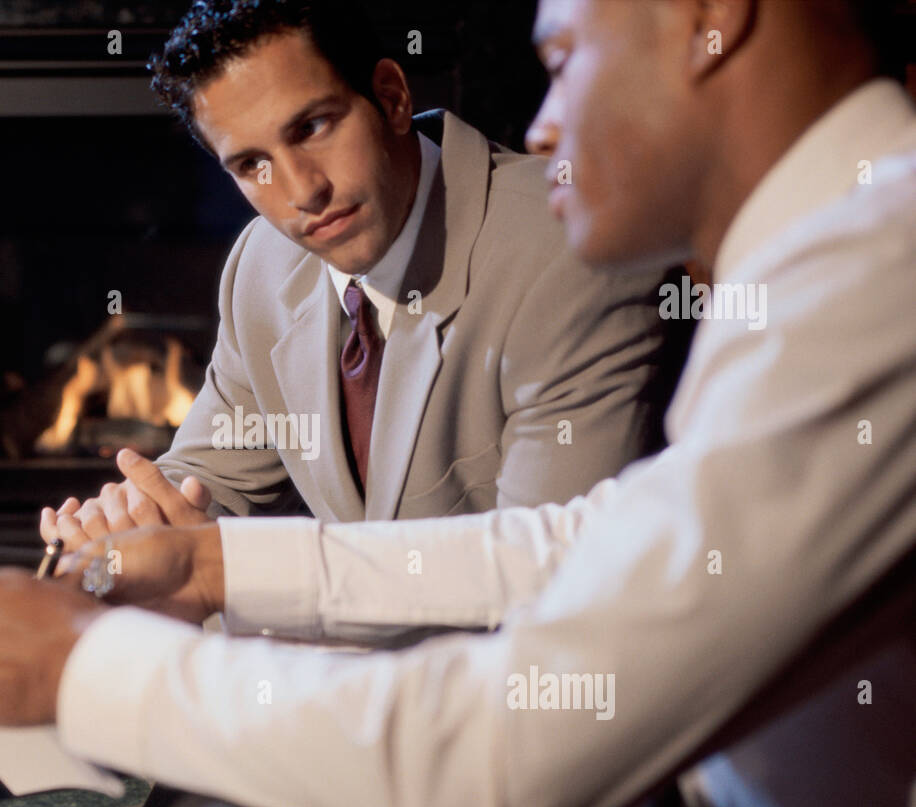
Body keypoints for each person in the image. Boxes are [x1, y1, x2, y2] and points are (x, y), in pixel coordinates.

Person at [0, 0, 916, 807]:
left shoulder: (873, 272)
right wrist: (206, 561)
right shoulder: (844, 251)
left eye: (560, 65)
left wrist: (85, 667)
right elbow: (576, 545)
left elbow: (501, 752)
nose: (547, 128)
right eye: (249, 162)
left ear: (712, 16)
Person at [41, 0, 685, 553]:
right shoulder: (262, 264)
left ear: (392, 96)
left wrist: (244, 578)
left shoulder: (568, 253)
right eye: (250, 163)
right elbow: (210, 478)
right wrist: (127, 523)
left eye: (313, 127)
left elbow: (547, 570)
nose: (302, 191)